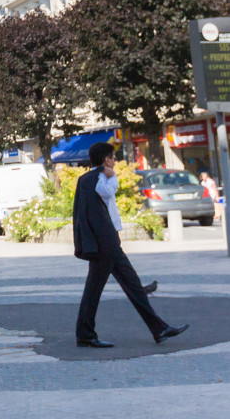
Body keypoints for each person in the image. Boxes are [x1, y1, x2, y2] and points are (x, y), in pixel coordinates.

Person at [74, 142, 187, 348]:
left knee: (132, 285)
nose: (115, 161)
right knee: (94, 290)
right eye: (113, 158)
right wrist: (112, 176)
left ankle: (159, 329)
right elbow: (105, 191)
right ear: (106, 160)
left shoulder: (86, 178)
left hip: (106, 242)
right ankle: (85, 334)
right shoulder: (101, 177)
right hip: (105, 243)